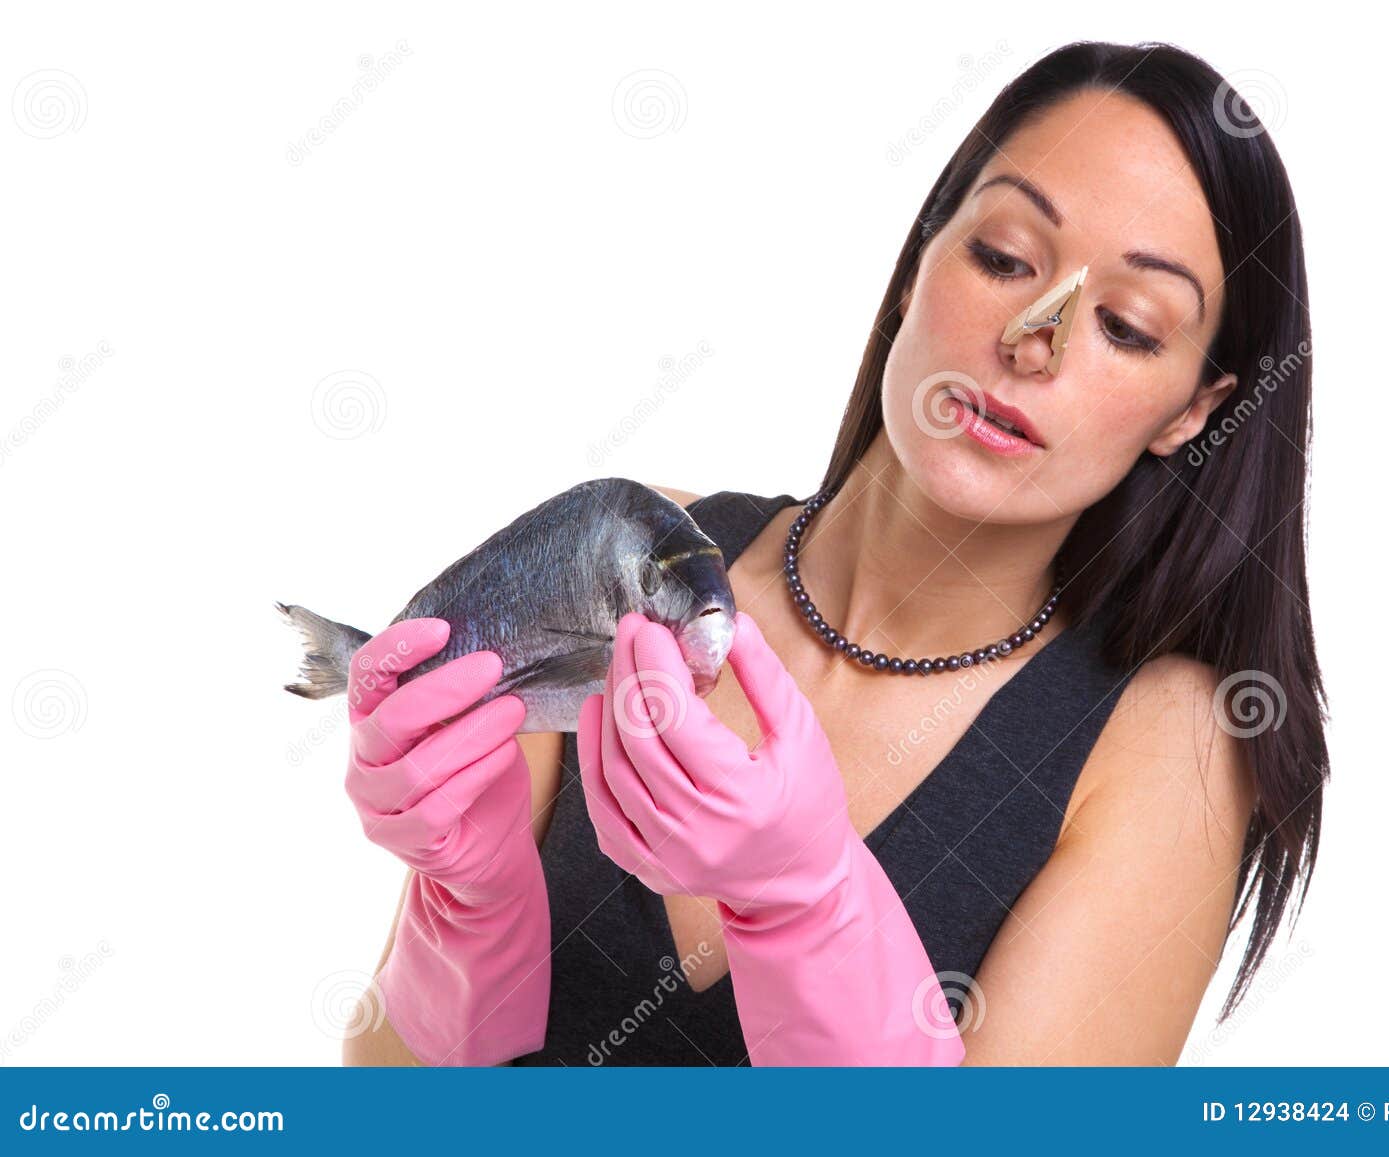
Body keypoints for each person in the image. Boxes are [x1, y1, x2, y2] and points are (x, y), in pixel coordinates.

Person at [341, 39, 1327, 1066]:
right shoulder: (630, 558)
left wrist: (811, 909)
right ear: (920, 260)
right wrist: (466, 907)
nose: (1036, 337)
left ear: (1193, 410)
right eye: (1001, 257)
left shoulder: (1162, 741)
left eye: (1126, 325)